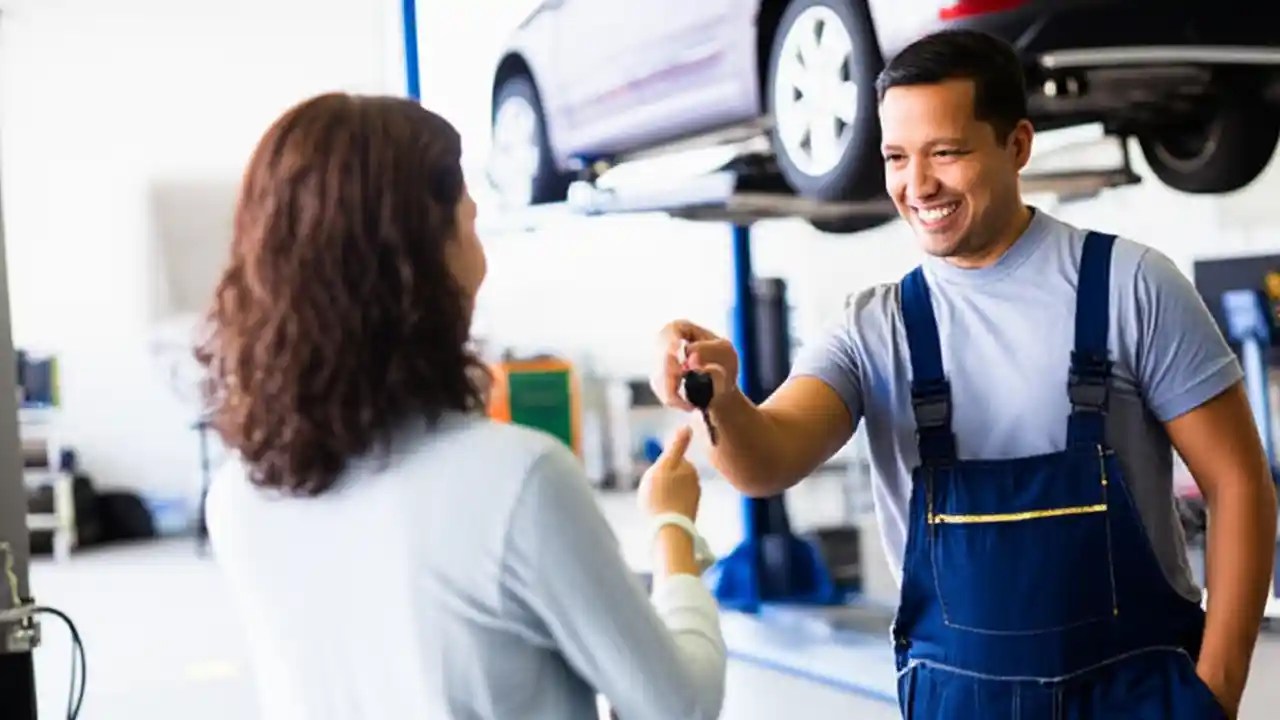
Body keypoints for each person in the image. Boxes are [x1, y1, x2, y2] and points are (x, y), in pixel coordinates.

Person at [652, 29, 1277, 719]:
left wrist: (1214, 691)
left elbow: (1239, 482)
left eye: (945, 153)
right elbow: (763, 462)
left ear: (1017, 145)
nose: (917, 186)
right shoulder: (875, 327)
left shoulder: (1131, 286)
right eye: (896, 157)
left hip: (1136, 698)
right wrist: (720, 397)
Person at [198, 92, 726, 720]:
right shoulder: (516, 480)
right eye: (471, 225)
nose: (482, 259)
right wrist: (672, 528)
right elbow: (678, 705)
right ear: (423, 260)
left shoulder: (238, 496)